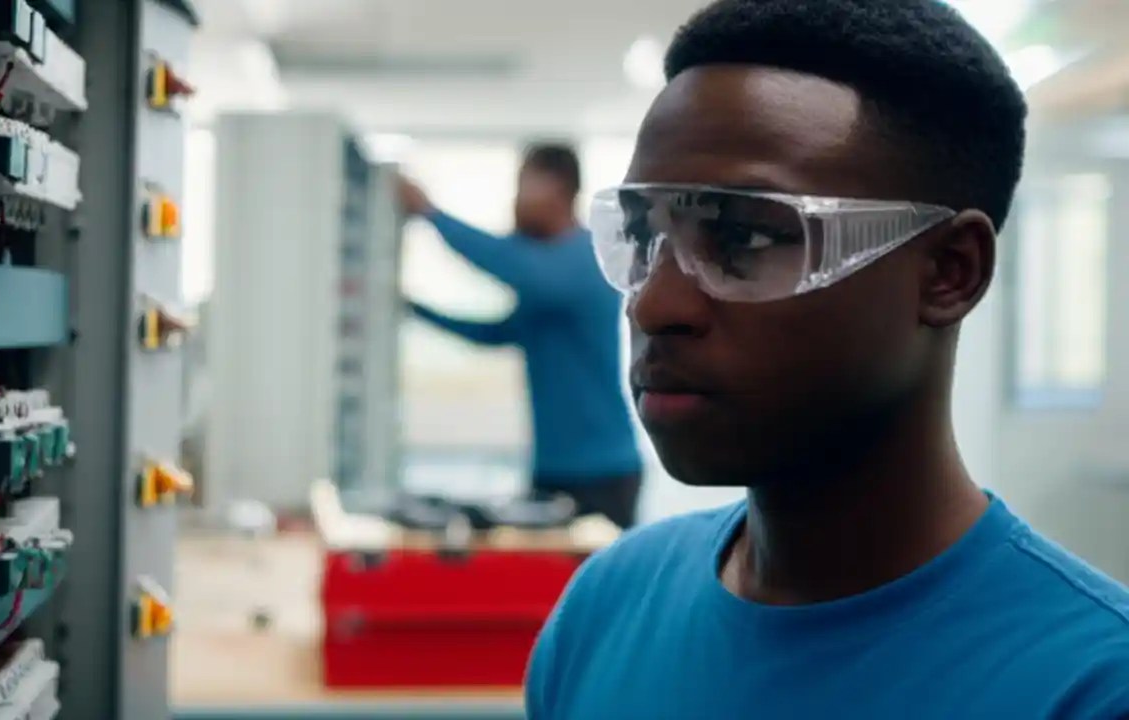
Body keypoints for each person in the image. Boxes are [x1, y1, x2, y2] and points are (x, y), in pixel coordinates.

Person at [526, 1, 1129, 718]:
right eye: (643, 236)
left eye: (746, 239)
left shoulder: (1091, 687)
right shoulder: (606, 609)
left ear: (950, 273)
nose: (654, 305)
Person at [399, 144, 643, 528]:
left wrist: (431, 214)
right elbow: (492, 332)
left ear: (560, 188)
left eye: (525, 184)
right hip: (550, 469)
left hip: (604, 471)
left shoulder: (585, 259)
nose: (516, 199)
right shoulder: (545, 276)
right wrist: (411, 308)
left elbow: (509, 263)